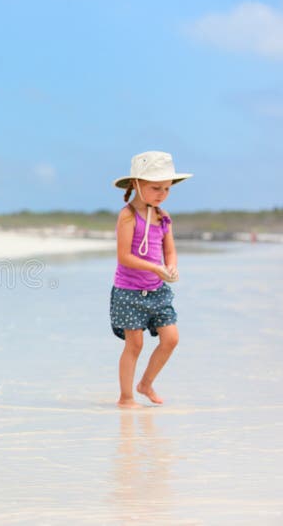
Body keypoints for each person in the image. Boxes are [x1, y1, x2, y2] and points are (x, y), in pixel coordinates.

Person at [110, 151, 193, 409]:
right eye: (156, 188)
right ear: (136, 184)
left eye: (167, 189)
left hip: (157, 291)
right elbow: (124, 256)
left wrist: (170, 268)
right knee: (134, 345)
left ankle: (146, 383)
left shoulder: (163, 216)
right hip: (129, 292)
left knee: (171, 338)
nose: (162, 194)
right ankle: (126, 398)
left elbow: (170, 250)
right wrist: (155, 268)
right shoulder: (127, 216)